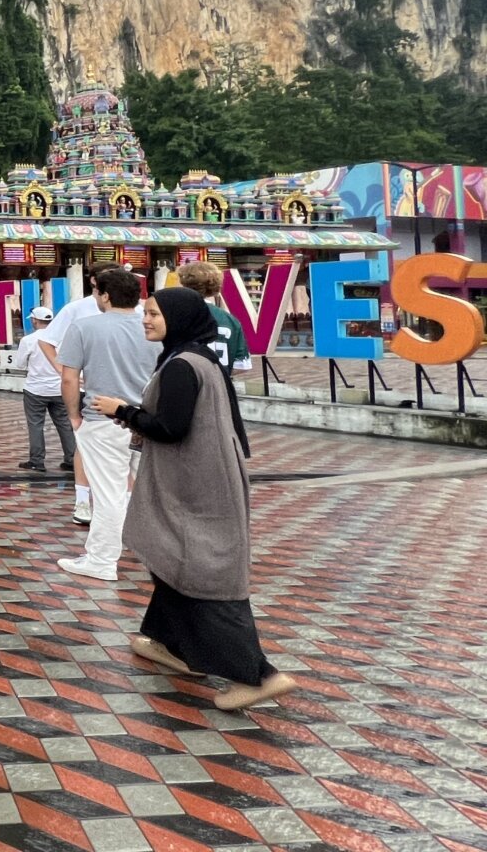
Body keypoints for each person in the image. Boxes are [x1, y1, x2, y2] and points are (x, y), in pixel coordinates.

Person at [90, 287, 296, 712]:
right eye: (146, 313)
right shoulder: (199, 356)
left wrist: (122, 411)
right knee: (176, 558)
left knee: (204, 570)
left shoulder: (183, 365)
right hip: (205, 478)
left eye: (153, 314)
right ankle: (169, 643)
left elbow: (171, 427)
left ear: (178, 317)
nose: (145, 320)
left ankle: (258, 676)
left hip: (196, 486)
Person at [57, 267, 156, 582]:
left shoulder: (85, 328)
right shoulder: (152, 330)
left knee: (109, 492)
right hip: (147, 419)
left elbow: (70, 377)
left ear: (105, 294)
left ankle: (101, 560)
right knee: (145, 490)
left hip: (103, 419)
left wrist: (74, 415)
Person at [40, 262, 118, 523]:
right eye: (98, 285)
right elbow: (46, 340)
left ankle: (126, 505)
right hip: (91, 389)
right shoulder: (78, 309)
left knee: (130, 449)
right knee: (85, 445)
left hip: (127, 390)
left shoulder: (137, 309)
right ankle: (83, 502)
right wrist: (64, 371)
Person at [13, 306, 73, 474]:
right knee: (65, 424)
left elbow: (20, 364)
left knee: (35, 425)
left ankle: (37, 461)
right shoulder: (62, 339)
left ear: (34, 320)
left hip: (35, 389)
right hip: (59, 388)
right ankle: (71, 459)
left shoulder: (28, 340)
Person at [176, 261, 252, 371]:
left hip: (183, 383)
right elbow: (242, 366)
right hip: (220, 385)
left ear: (183, 283)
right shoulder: (230, 320)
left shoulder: (174, 315)